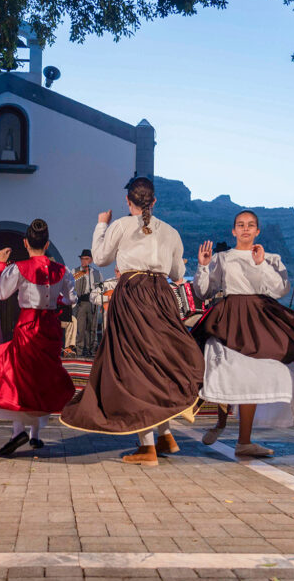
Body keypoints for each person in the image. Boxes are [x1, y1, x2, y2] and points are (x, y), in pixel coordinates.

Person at [61, 177, 204, 466]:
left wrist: (102, 224)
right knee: (158, 362)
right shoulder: (171, 231)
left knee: (134, 366)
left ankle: (147, 447)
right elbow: (177, 272)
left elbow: (100, 257)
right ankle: (164, 434)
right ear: (154, 201)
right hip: (161, 295)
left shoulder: (122, 226)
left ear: (129, 202)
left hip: (133, 295)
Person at [193, 210, 294, 457]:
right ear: (233, 230)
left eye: (250, 225)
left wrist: (261, 264)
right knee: (224, 369)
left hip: (259, 317)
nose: (245, 229)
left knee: (252, 374)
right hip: (231, 316)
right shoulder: (222, 258)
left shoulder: (271, 258)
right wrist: (203, 267)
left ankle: (244, 441)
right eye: (240, 225)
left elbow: (279, 289)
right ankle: (221, 422)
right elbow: (203, 292)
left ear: (257, 231)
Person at [0, 219, 77, 457]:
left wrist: (0, 265)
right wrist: (55, 300)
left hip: (28, 325)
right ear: (47, 243)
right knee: (41, 380)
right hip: (49, 327)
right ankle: (35, 435)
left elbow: (3, 293)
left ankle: (18, 431)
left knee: (19, 378)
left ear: (26, 242)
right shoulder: (63, 270)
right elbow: (72, 298)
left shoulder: (19, 268)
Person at [72, 250, 102, 357]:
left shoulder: (96, 273)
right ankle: (79, 351)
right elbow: (71, 286)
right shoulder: (76, 271)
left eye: (86, 259)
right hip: (81, 302)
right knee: (80, 328)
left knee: (92, 327)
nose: (83, 261)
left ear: (91, 260)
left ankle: (92, 350)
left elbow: (100, 288)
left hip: (93, 303)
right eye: (82, 259)